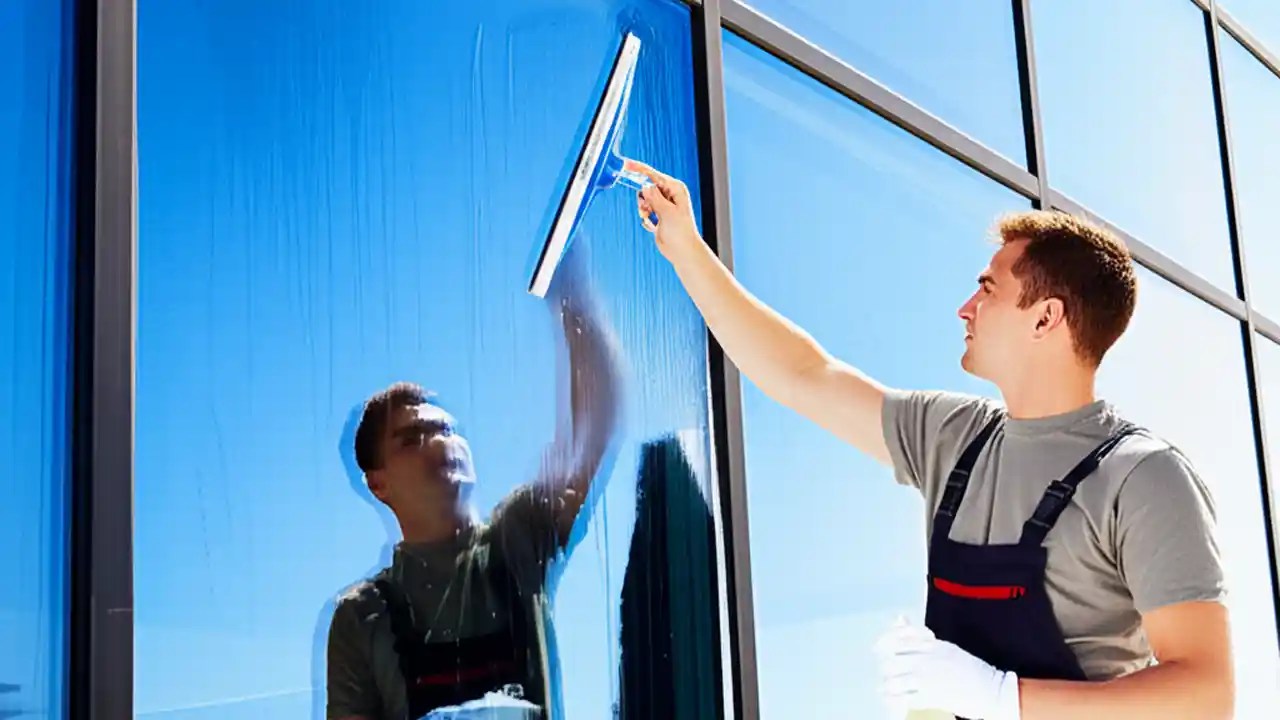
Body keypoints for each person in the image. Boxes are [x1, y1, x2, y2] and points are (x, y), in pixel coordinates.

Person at [626, 159, 1234, 719]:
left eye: (989, 289)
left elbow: (1206, 694)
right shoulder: (956, 439)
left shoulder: (1142, 477)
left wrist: (1000, 697)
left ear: (1046, 318)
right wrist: (685, 250)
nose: (965, 308)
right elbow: (804, 376)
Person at [325, 259, 623, 720]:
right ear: (378, 485)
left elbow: (593, 432)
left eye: (447, 428)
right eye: (412, 438)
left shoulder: (517, 538)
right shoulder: (361, 616)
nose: (440, 441)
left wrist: (573, 297)